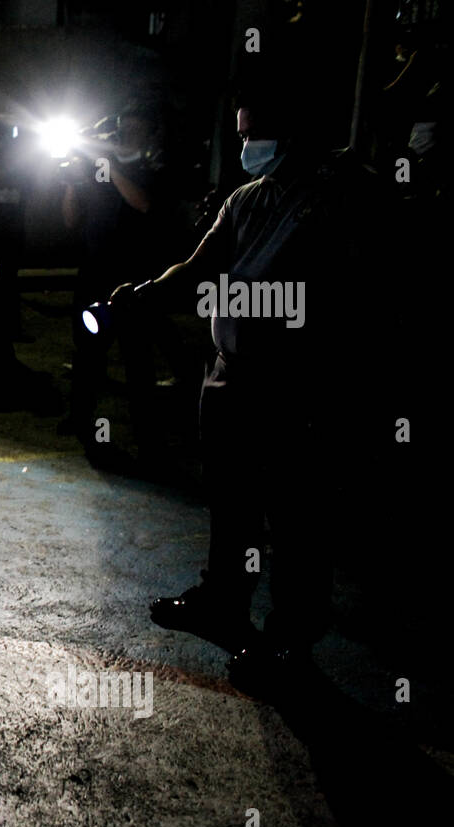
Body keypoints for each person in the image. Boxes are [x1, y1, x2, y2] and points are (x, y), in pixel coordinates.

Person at [111, 87, 383, 686]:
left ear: (296, 134)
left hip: (298, 387)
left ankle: (291, 643)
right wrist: (142, 295)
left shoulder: (343, 196)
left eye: (254, 135)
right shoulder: (246, 200)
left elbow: (362, 297)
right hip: (230, 375)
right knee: (231, 503)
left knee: (296, 518)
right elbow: (199, 268)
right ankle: (222, 600)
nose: (245, 146)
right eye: (239, 135)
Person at [61, 106, 191, 462]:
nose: (124, 136)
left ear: (151, 134)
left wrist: (111, 164)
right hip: (93, 276)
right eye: (121, 129)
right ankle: (81, 421)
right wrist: (73, 180)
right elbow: (72, 220)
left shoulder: (158, 169)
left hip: (136, 281)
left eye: (134, 130)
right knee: (88, 354)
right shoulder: (100, 170)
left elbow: (144, 204)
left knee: (138, 361)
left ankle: (148, 438)